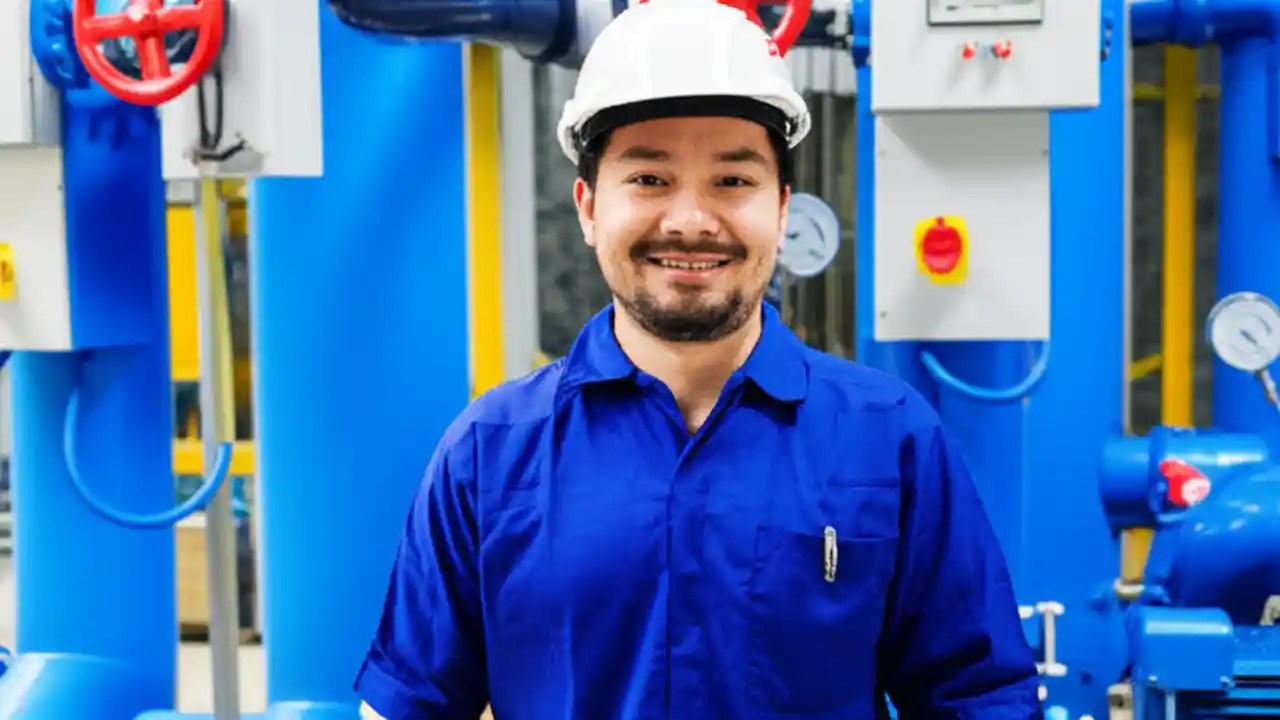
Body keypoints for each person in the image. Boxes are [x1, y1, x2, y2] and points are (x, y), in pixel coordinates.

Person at [354, 0, 1041, 717]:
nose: (689, 219)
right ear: (588, 207)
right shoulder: (492, 453)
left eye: (732, 180)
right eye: (649, 179)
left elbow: (978, 697)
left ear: (782, 207)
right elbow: (410, 704)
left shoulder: (888, 439)